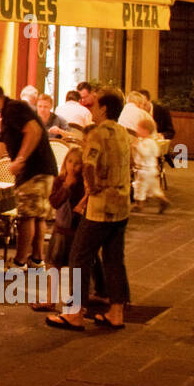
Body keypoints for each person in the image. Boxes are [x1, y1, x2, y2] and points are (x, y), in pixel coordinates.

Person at [46, 90, 132, 331]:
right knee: (114, 258)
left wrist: (92, 187)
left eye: (95, 104)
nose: (90, 107)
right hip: (121, 205)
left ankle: (75, 312)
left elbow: (90, 165)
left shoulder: (98, 134)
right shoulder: (123, 133)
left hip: (100, 207)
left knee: (79, 255)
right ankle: (116, 312)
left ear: (104, 109)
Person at [0, 82, 59, 268]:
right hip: (43, 169)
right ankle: (37, 259)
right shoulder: (9, 114)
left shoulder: (14, 109)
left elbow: (34, 131)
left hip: (33, 170)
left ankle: (20, 261)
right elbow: (0, 148)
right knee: (38, 216)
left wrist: (20, 159)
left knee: (26, 216)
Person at [31, 147, 84, 312]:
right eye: (70, 161)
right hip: (60, 229)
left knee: (77, 266)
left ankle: (76, 302)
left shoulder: (83, 183)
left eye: (77, 163)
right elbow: (54, 201)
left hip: (76, 229)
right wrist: (66, 186)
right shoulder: (60, 180)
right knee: (53, 265)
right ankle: (50, 298)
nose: (72, 166)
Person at [130, 116, 169, 212]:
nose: (137, 131)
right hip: (152, 169)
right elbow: (156, 153)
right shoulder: (153, 142)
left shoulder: (146, 143)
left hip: (145, 169)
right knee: (154, 188)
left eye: (139, 129)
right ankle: (163, 200)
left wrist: (137, 146)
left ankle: (139, 205)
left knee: (140, 187)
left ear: (146, 131)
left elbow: (145, 153)